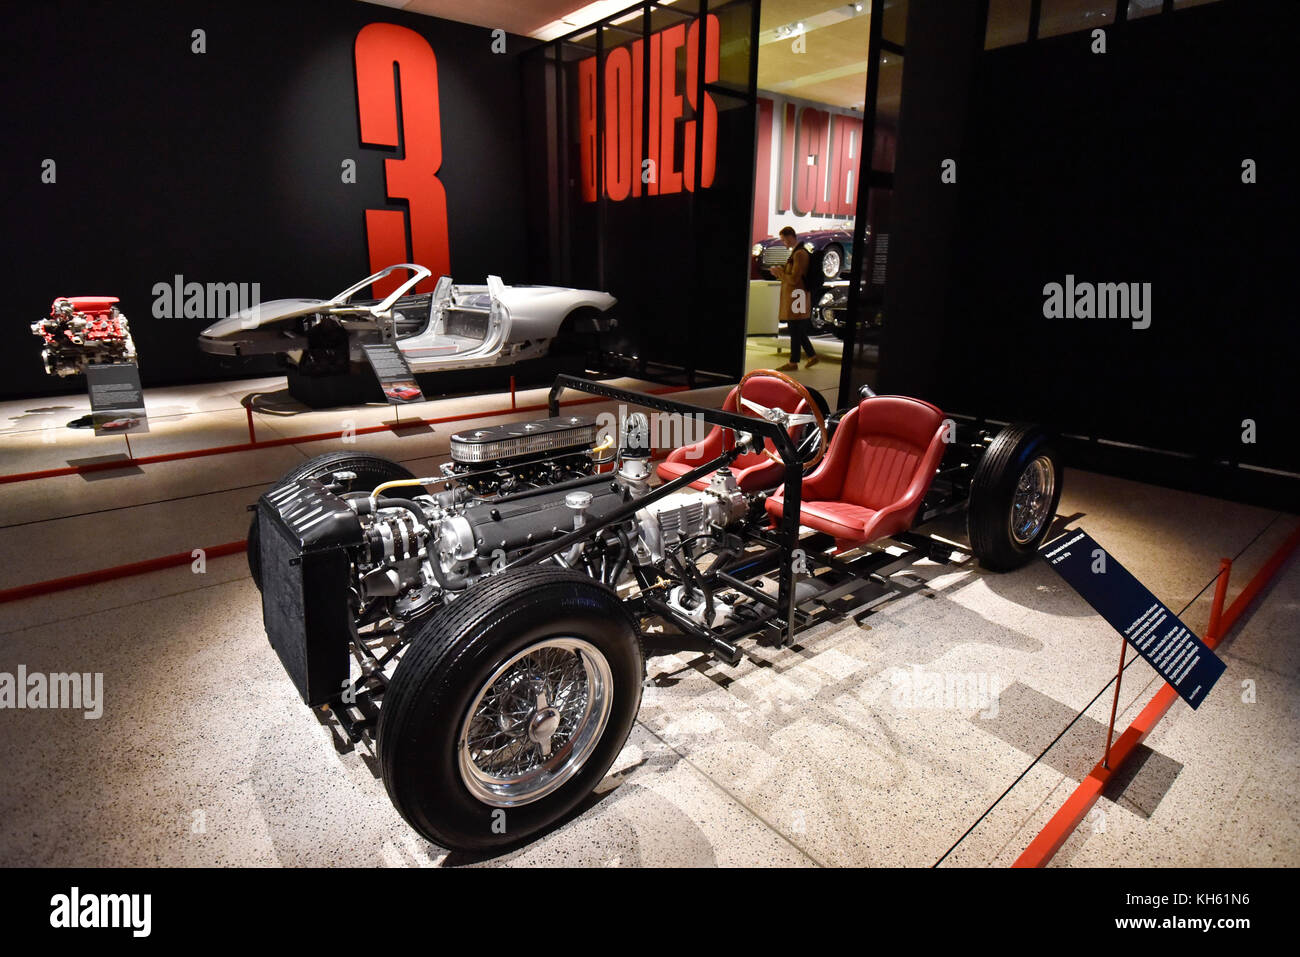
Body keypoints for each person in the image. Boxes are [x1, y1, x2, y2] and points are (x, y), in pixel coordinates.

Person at [769, 226, 818, 370]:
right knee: (797, 329)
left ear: (790, 237)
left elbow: (794, 279)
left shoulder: (799, 254)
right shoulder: (797, 253)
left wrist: (780, 273)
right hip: (797, 296)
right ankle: (811, 356)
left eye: (784, 240)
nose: (783, 243)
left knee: (795, 328)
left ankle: (794, 362)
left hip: (797, 296)